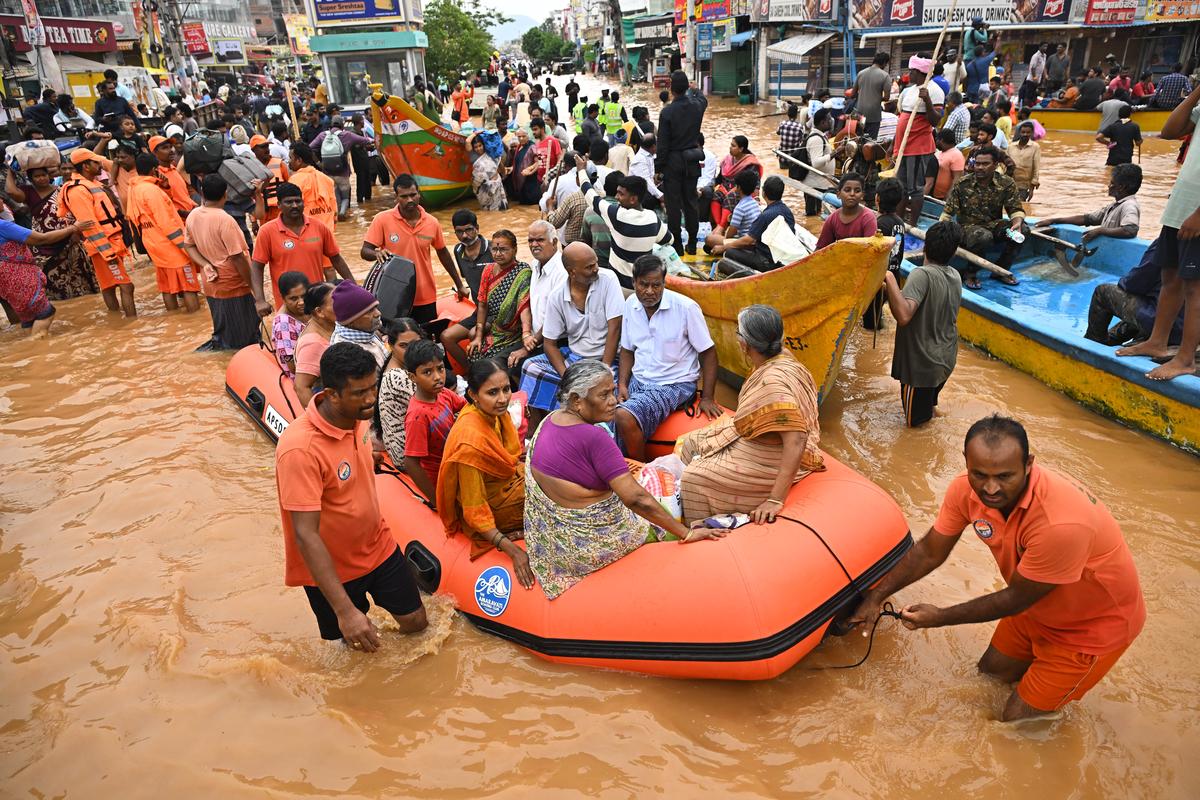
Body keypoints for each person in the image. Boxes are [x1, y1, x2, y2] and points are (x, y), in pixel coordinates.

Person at [848, 415, 1145, 722]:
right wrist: (875, 596)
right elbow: (928, 551)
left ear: (1028, 464)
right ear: (966, 462)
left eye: (1004, 476)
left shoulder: (1061, 523)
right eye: (979, 474)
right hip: (1034, 608)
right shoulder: (965, 490)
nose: (990, 488)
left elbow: (1017, 598)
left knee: (1017, 722)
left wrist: (939, 617)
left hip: (1088, 629)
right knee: (988, 675)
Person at [524, 360, 723, 599]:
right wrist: (686, 533)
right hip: (591, 542)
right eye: (604, 394)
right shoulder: (595, 438)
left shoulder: (550, 420)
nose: (614, 400)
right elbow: (636, 499)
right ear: (577, 400)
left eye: (613, 391)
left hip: (557, 543)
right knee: (665, 521)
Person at [276, 342, 428, 652]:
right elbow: (305, 535)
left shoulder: (358, 417)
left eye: (373, 388)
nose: (371, 399)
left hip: (377, 545)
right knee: (354, 649)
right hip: (332, 568)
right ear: (332, 394)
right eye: (360, 393)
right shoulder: (300, 450)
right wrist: (345, 611)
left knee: (417, 622)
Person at [677, 305, 824, 523]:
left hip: (775, 454)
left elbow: (797, 438)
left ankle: (700, 529)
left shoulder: (772, 381)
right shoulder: (780, 357)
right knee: (690, 442)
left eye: (738, 333)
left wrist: (775, 499)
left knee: (693, 478)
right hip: (761, 438)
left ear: (745, 344)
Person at [1116, 82, 1200, 381]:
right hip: (1181, 207)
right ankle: (1158, 341)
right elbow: (1170, 130)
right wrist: (1196, 93)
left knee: (1194, 289)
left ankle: (1186, 359)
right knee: (1170, 278)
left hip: (1197, 213)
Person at [436, 359, 531, 587]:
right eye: (492, 392)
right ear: (473, 395)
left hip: (508, 481)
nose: (503, 398)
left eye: (506, 389)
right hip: (492, 504)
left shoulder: (496, 414)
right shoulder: (470, 442)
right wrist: (513, 551)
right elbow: (474, 510)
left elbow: (509, 458)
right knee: (550, 492)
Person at [615, 255, 719, 460]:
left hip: (675, 384)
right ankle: (615, 467)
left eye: (656, 285)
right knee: (603, 413)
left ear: (664, 283)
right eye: (644, 285)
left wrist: (707, 397)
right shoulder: (630, 305)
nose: (650, 291)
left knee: (624, 416)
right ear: (633, 282)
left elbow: (708, 353)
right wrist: (623, 385)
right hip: (640, 379)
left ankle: (640, 470)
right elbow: (627, 350)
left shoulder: (686, 308)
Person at [519, 242, 623, 428]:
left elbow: (615, 328)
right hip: (576, 358)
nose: (596, 269)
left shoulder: (608, 279)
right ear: (572, 271)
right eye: (589, 267)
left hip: (609, 356)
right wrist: (568, 377)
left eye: (596, 263)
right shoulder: (557, 296)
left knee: (605, 392)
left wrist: (604, 370)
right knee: (530, 367)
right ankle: (536, 429)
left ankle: (600, 431)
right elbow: (550, 344)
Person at [880, 220, 964, 427]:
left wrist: (889, 277)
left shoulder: (921, 274)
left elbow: (904, 316)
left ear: (925, 246)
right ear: (953, 253)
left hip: (922, 368)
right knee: (930, 414)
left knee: (915, 429)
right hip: (945, 360)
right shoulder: (955, 275)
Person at [361, 174, 468, 325]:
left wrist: (459, 285)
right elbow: (365, 251)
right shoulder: (382, 219)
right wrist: (377, 253)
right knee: (395, 340)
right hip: (394, 295)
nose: (410, 200)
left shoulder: (432, 222)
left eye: (413, 195)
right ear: (396, 197)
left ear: (419, 194)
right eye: (404, 196)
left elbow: (443, 253)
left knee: (425, 340)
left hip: (425, 295)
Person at [182, 175, 261, 351]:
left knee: (225, 330)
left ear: (202, 193)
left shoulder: (193, 215)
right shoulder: (225, 220)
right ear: (226, 194)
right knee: (246, 337)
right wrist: (254, 288)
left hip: (211, 283)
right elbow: (238, 257)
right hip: (234, 284)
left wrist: (205, 264)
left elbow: (188, 246)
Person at [251, 182, 352, 315]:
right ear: (279, 205)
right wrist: (260, 300)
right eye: (288, 202)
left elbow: (336, 259)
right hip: (288, 305)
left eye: (298, 201)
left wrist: (353, 287)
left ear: (303, 202)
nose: (294, 205)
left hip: (316, 301)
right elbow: (257, 267)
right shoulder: (267, 231)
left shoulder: (319, 226)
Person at [5, 163, 99, 300]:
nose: (41, 178)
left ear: (49, 176)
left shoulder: (61, 190)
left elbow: (74, 213)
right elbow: (11, 192)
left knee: (78, 277)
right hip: (44, 244)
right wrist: (9, 170)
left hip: (70, 240)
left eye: (43, 175)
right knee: (51, 283)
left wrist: (76, 233)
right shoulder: (29, 193)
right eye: (36, 176)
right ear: (31, 179)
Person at [58, 148, 134, 317]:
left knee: (109, 286)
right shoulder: (77, 190)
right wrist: (107, 252)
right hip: (103, 247)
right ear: (85, 166)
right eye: (95, 162)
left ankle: (118, 325)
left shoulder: (93, 184)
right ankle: (131, 323)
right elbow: (89, 225)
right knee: (126, 286)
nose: (99, 165)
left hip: (112, 242)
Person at [940, 146, 1025, 289]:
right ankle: (970, 273)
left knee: (1020, 234)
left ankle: (1000, 270)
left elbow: (1015, 209)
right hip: (967, 229)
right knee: (982, 236)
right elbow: (948, 213)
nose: (979, 167)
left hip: (994, 226)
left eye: (985, 164)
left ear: (995, 165)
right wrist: (939, 234)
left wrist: (1017, 223)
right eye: (977, 163)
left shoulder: (1006, 183)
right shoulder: (962, 184)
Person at [578, 162, 673, 289]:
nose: (617, 197)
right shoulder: (653, 218)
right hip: (641, 286)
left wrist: (581, 170)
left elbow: (589, 194)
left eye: (621, 194)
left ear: (633, 199)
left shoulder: (617, 215)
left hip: (618, 286)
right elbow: (669, 240)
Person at [446, 229, 532, 368]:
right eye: (494, 249)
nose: (498, 254)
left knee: (492, 363)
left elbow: (524, 306)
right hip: (494, 327)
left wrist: (526, 334)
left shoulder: (523, 272)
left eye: (503, 249)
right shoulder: (488, 270)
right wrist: (479, 336)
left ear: (515, 250)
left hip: (513, 332)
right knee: (475, 349)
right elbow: (482, 304)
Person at [397, 338, 467, 505]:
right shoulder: (417, 416)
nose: (437, 377)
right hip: (441, 477)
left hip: (456, 461)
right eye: (427, 372)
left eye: (440, 369)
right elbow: (411, 462)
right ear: (412, 376)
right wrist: (436, 500)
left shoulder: (443, 393)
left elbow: (466, 408)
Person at [126, 153, 200, 313]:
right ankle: (195, 317)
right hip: (170, 245)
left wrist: (164, 186)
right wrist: (185, 247)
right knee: (189, 287)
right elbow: (166, 222)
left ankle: (174, 320)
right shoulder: (151, 190)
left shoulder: (134, 188)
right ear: (154, 169)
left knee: (167, 289)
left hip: (153, 244)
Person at [0, 215, 95, 337]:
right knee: (45, 313)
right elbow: (41, 239)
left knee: (28, 318)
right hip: (16, 274)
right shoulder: (3, 226)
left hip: (4, 282)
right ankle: (36, 347)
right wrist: (73, 228)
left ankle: (33, 351)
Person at [1085, 240, 1184, 346]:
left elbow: (1136, 283)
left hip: (1168, 325)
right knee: (1143, 302)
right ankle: (1114, 337)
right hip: (1189, 326)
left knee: (1102, 292)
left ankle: (1092, 343)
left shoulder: (1168, 241)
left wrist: (1124, 282)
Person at [893, 55, 944, 227]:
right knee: (900, 187)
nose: (909, 74)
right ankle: (899, 220)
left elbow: (936, 121)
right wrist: (894, 144)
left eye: (912, 71)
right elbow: (903, 119)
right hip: (903, 146)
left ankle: (912, 224)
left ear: (920, 72)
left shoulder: (934, 90)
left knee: (914, 189)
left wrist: (928, 100)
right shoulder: (911, 89)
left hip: (917, 147)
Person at [1036, 163, 1141, 246]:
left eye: (1112, 183)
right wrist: (1054, 220)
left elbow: (1130, 230)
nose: (1109, 186)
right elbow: (1087, 219)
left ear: (1121, 187)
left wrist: (1100, 230)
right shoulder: (1115, 205)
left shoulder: (1129, 205)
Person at [714, 176, 795, 273]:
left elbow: (748, 240)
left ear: (764, 193)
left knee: (729, 253)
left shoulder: (765, 215)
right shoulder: (788, 212)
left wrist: (724, 247)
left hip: (767, 261)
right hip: (784, 259)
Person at [373, 318, 426, 465]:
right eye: (404, 346)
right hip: (409, 457)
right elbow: (435, 407)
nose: (411, 351)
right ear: (391, 346)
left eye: (415, 344)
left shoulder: (404, 364)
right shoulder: (397, 378)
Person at [309, 116, 372, 220]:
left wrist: (319, 163)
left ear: (331, 125)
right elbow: (366, 141)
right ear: (342, 125)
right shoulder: (347, 135)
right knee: (345, 196)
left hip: (327, 172)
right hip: (342, 171)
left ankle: (337, 213)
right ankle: (342, 211)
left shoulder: (322, 135)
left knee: (334, 194)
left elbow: (309, 148)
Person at [294, 283, 337, 407]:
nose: (343, 303)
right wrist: (318, 421)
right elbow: (301, 387)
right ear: (319, 312)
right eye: (336, 302)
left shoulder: (326, 326)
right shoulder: (314, 343)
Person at [708, 136, 763, 230]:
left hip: (742, 190)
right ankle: (718, 225)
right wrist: (710, 186)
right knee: (715, 195)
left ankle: (721, 226)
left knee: (729, 197)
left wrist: (734, 190)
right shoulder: (727, 160)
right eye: (731, 145)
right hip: (725, 188)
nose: (730, 147)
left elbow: (754, 183)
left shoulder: (750, 163)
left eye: (733, 146)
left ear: (741, 149)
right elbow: (720, 178)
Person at [328, 282, 388, 368]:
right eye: (369, 311)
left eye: (375, 307)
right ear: (350, 321)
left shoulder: (367, 333)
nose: (378, 313)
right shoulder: (348, 355)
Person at [816, 173, 878, 250]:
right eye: (847, 190)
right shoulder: (832, 219)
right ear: (838, 194)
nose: (852, 194)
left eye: (857, 191)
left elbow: (871, 250)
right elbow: (821, 248)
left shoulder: (868, 218)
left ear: (862, 195)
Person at [287, 142, 338, 234]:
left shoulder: (294, 181)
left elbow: (291, 211)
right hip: (328, 232)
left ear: (299, 160)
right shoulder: (326, 179)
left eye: (290, 158)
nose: (289, 162)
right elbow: (334, 210)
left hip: (307, 234)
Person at [706, 169, 760, 254]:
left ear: (738, 188)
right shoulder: (755, 203)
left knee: (709, 239)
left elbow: (731, 232)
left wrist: (724, 237)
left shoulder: (740, 208)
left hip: (743, 242)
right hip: (753, 240)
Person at [273, 272, 311, 377]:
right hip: (302, 376)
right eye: (294, 299)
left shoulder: (311, 307)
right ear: (283, 298)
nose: (301, 302)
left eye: (304, 296)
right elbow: (293, 368)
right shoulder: (283, 324)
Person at [853, 52, 892, 138]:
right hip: (873, 115)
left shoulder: (861, 73)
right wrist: (876, 97)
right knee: (870, 144)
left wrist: (864, 95)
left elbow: (853, 94)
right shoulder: (885, 76)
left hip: (860, 114)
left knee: (858, 140)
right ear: (885, 63)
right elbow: (886, 97)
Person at [468, 134, 507, 211]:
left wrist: (502, 176)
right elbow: (467, 141)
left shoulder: (491, 154)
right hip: (482, 188)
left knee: (499, 209)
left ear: (484, 145)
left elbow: (501, 167)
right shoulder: (473, 155)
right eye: (476, 147)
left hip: (496, 185)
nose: (478, 148)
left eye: (480, 145)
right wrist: (476, 133)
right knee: (486, 209)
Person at [628, 133, 662, 210]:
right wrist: (660, 196)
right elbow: (646, 182)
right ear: (653, 146)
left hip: (648, 188)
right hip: (640, 192)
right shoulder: (640, 159)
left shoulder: (649, 155)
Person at [1009, 122, 1041, 202]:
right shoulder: (1011, 146)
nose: (1025, 134)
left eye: (1028, 132)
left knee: (1019, 204)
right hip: (1010, 183)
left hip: (1024, 185)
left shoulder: (1035, 147)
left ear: (1032, 133)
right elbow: (1004, 165)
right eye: (1023, 132)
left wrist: (1032, 188)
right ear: (1019, 133)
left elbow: (1036, 167)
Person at [932, 128, 965, 201]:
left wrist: (947, 198)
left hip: (942, 198)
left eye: (937, 139)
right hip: (932, 193)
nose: (935, 142)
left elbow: (957, 179)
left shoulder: (956, 155)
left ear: (942, 140)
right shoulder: (938, 153)